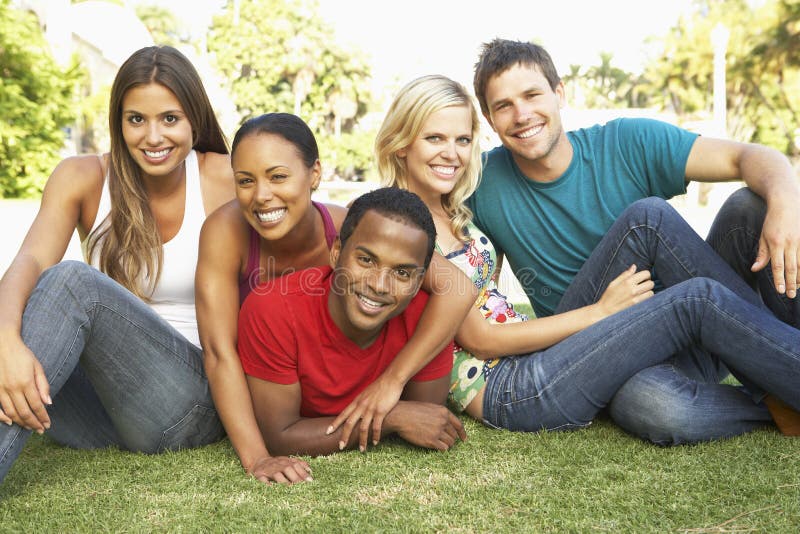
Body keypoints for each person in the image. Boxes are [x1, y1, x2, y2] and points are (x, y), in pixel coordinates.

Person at [376, 74, 800, 442]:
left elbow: (492, 300)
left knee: (667, 224)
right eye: (434, 138)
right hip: (507, 390)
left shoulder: (457, 209)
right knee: (695, 301)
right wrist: (598, 313)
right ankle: (782, 388)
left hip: (535, 361)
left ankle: (781, 391)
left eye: (462, 140)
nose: (451, 153)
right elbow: (480, 338)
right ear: (400, 143)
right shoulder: (406, 229)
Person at [0, 45, 246, 486]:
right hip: (99, 415)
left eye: (169, 119)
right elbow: (30, 260)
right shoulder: (83, 177)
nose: (153, 137)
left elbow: (314, 226)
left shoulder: (224, 178)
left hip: (189, 405)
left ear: (195, 117)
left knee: (75, 283)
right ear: (118, 121)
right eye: (137, 119)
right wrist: (5, 342)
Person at [196, 113, 475, 482]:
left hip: (322, 371)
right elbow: (219, 353)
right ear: (337, 254)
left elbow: (458, 290)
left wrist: (391, 383)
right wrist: (257, 457)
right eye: (245, 181)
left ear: (314, 174)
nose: (262, 195)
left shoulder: (353, 226)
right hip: (259, 377)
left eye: (278, 176)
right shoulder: (227, 232)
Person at [236, 187, 467, 456]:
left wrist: (402, 409)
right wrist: (392, 418)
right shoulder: (273, 310)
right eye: (366, 260)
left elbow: (427, 420)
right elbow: (281, 436)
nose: (379, 285)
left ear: (418, 283)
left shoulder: (428, 320)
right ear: (336, 253)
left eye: (402, 272)